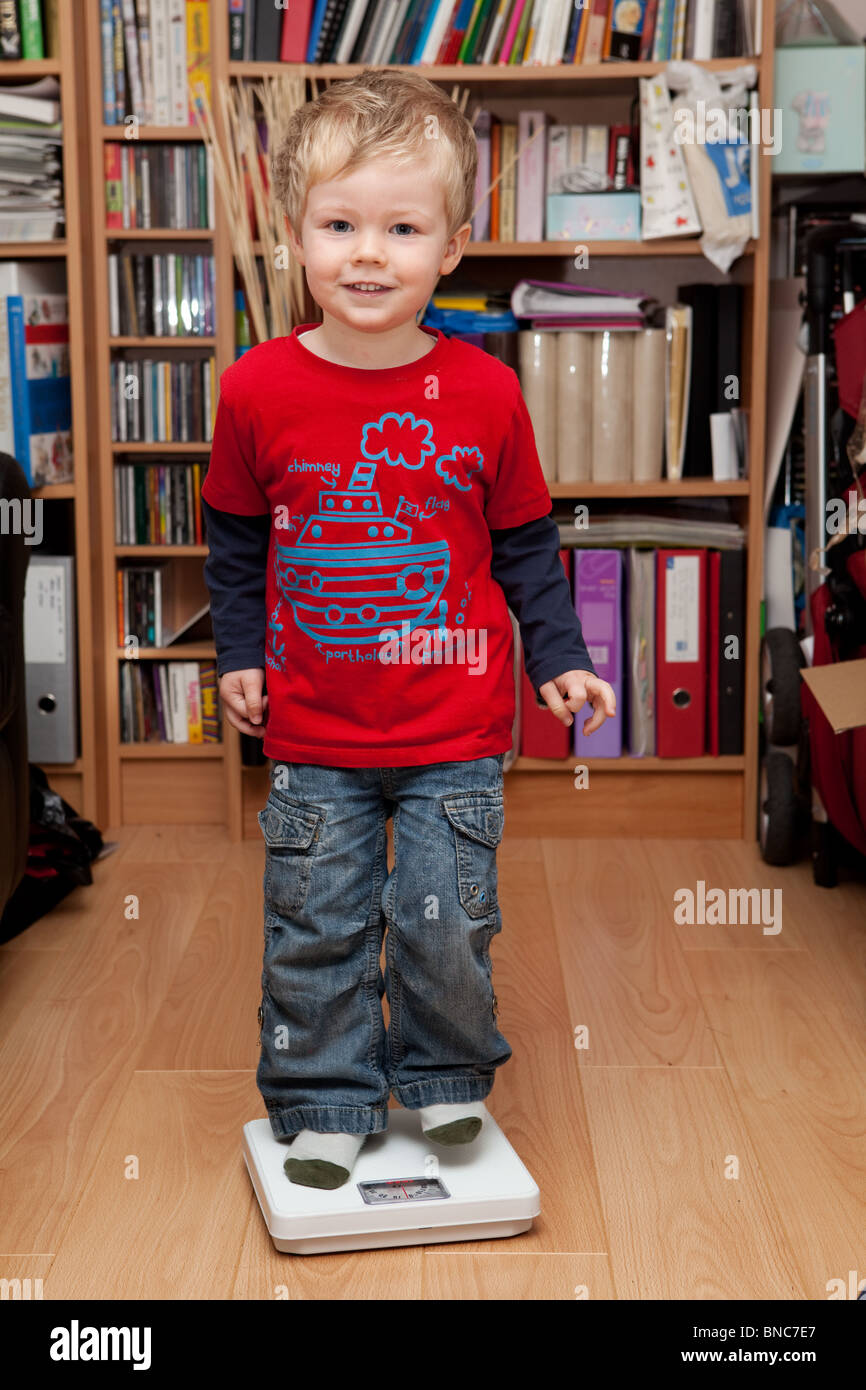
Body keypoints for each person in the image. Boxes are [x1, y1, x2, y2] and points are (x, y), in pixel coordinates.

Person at [201, 68, 616, 1191]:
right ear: (296, 238)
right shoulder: (253, 390)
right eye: (339, 225)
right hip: (313, 729)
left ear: (451, 244)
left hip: (454, 726)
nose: (368, 253)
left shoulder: (485, 392)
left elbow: (526, 543)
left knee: (440, 923)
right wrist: (239, 653)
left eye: (400, 226)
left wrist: (564, 658)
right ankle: (324, 1094)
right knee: (317, 921)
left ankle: (442, 1082)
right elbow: (235, 543)